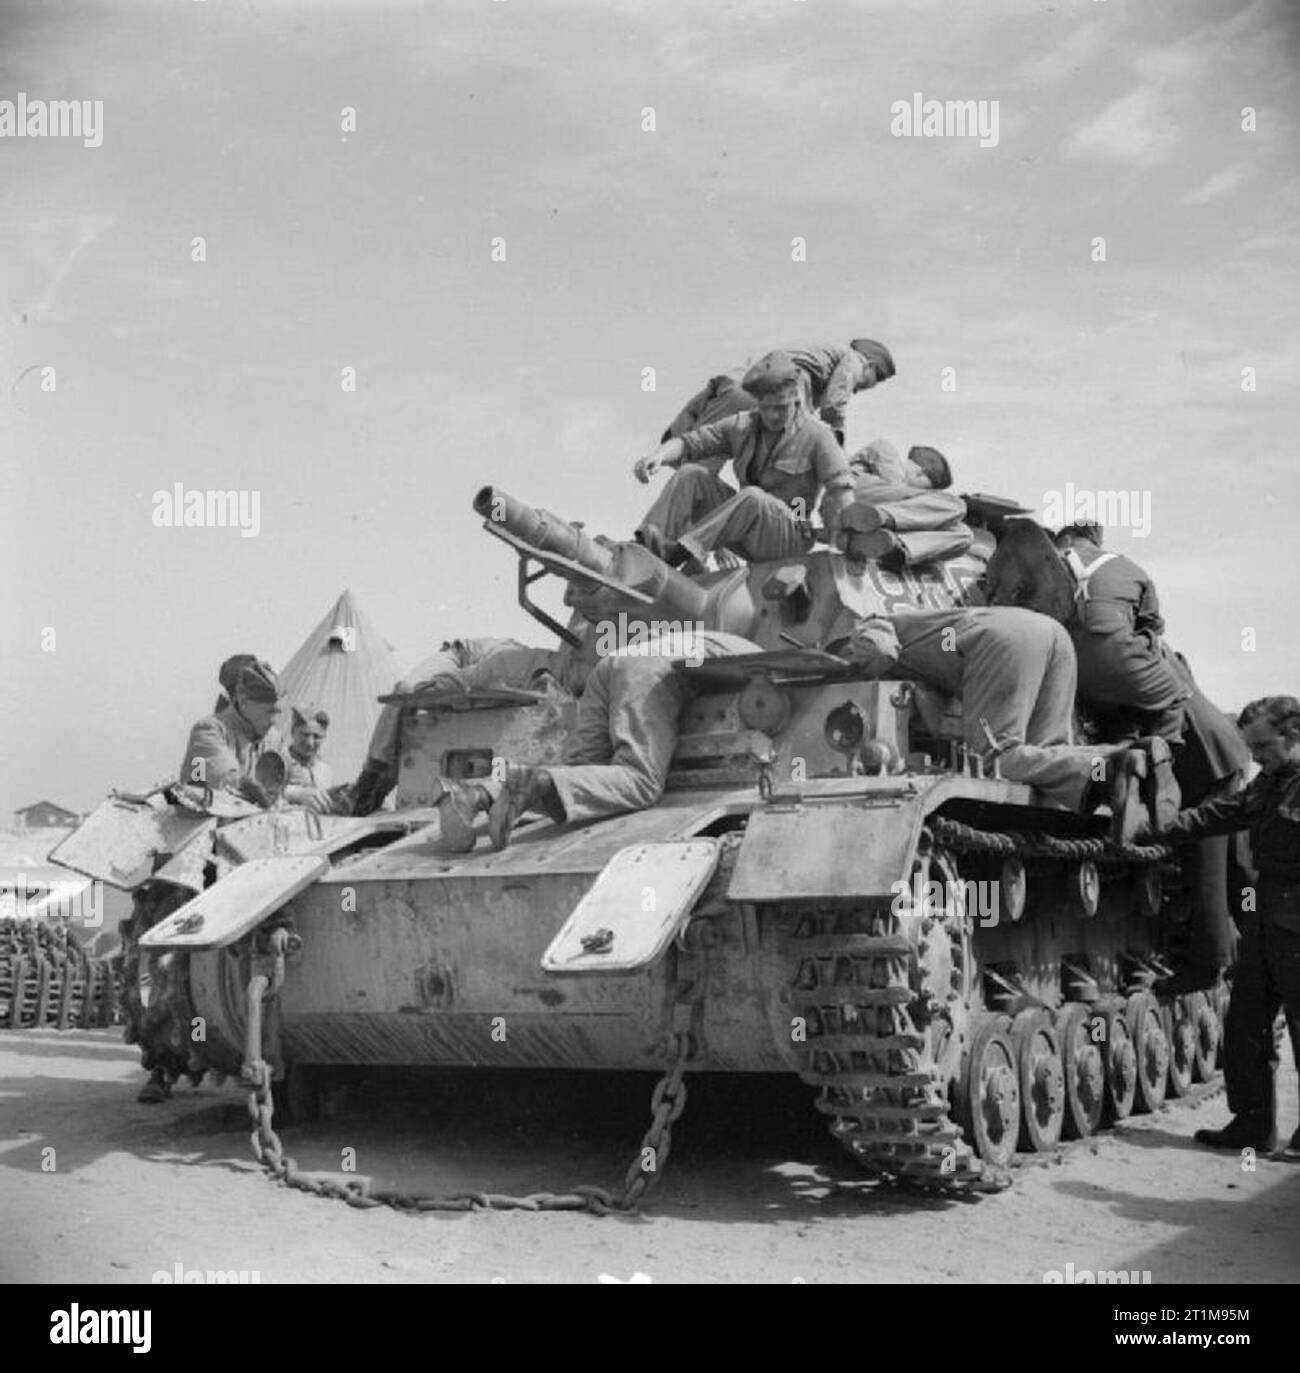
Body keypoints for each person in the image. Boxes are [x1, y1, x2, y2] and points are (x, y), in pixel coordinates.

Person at [841, 606, 1177, 840]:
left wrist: (849, 664)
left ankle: (1110, 766)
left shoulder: (864, 625)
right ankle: (1129, 761)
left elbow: (878, 648)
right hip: (1048, 634)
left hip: (994, 643)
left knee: (996, 760)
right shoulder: (936, 618)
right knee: (1047, 755)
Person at [1141, 696, 1300, 1157]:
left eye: (1263, 745)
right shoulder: (1267, 785)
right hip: (1267, 916)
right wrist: (1157, 827)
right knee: (1246, 1023)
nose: (1255, 757)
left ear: (1293, 736)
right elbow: (1219, 815)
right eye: (1249, 747)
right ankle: (1252, 1126)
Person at [435, 629, 759, 851]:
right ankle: (537, 781)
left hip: (611, 665)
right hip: (647, 671)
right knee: (641, 780)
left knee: (583, 775)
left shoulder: (708, 637)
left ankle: (478, 794)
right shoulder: (755, 652)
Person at [633, 353, 854, 569]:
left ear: (796, 400)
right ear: (757, 403)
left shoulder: (818, 436)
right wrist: (659, 456)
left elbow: (841, 487)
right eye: (766, 408)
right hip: (747, 532)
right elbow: (691, 443)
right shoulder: (742, 426)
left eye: (781, 407)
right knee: (691, 473)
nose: (773, 416)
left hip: (790, 535)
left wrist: (850, 533)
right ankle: (645, 550)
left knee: (753, 497)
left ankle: (679, 554)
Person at [347, 638, 576, 815]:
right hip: (461, 656)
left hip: (494, 675)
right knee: (408, 689)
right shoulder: (514, 664)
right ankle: (369, 780)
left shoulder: (553, 675)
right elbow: (455, 682)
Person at [1051, 523, 1189, 744]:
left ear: (1066, 539)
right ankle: (1160, 753)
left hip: (1070, 675)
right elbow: (1153, 626)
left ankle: (1103, 768)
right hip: (1121, 668)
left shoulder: (1050, 562)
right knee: (1177, 691)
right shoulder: (1131, 569)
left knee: (1106, 729)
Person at [660, 338, 895, 447]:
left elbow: (713, 390)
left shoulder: (812, 355)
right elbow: (835, 403)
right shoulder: (852, 359)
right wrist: (837, 439)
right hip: (768, 398)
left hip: (734, 387)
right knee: (786, 472)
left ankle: (673, 536)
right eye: (874, 381)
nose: (864, 389)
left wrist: (677, 431)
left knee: (702, 462)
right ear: (871, 366)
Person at [837, 439, 974, 569]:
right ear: (920, 473)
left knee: (964, 534)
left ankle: (894, 547)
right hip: (855, 490)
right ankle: (881, 518)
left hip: (874, 521)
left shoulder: (901, 500)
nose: (922, 493)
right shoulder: (887, 451)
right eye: (927, 489)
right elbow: (880, 449)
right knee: (956, 505)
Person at [179, 658, 284, 805]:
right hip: (198, 818)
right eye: (268, 712)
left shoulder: (272, 737)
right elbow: (222, 775)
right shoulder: (208, 730)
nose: (274, 720)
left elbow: (284, 781)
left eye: (277, 712)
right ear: (243, 701)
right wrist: (250, 786)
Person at [282, 705, 334, 812]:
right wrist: (297, 794)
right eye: (305, 734)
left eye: (316, 736)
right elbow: (265, 792)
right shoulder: (278, 763)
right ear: (292, 732)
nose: (310, 743)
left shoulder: (325, 771)